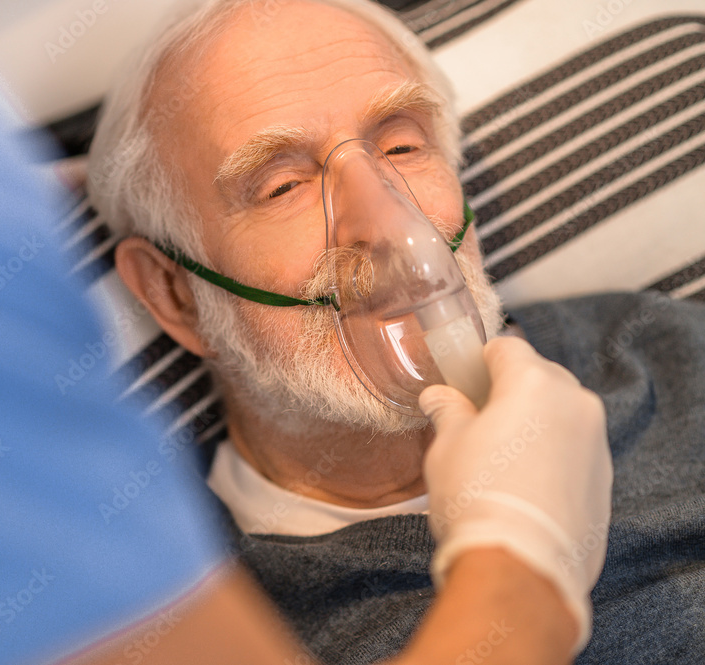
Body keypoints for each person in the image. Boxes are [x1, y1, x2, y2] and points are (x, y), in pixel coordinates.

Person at [86, 0, 705, 663]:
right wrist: (521, 566)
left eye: (402, 145)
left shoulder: (654, 348)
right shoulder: (186, 615)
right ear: (175, 294)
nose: (383, 224)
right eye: (283, 184)